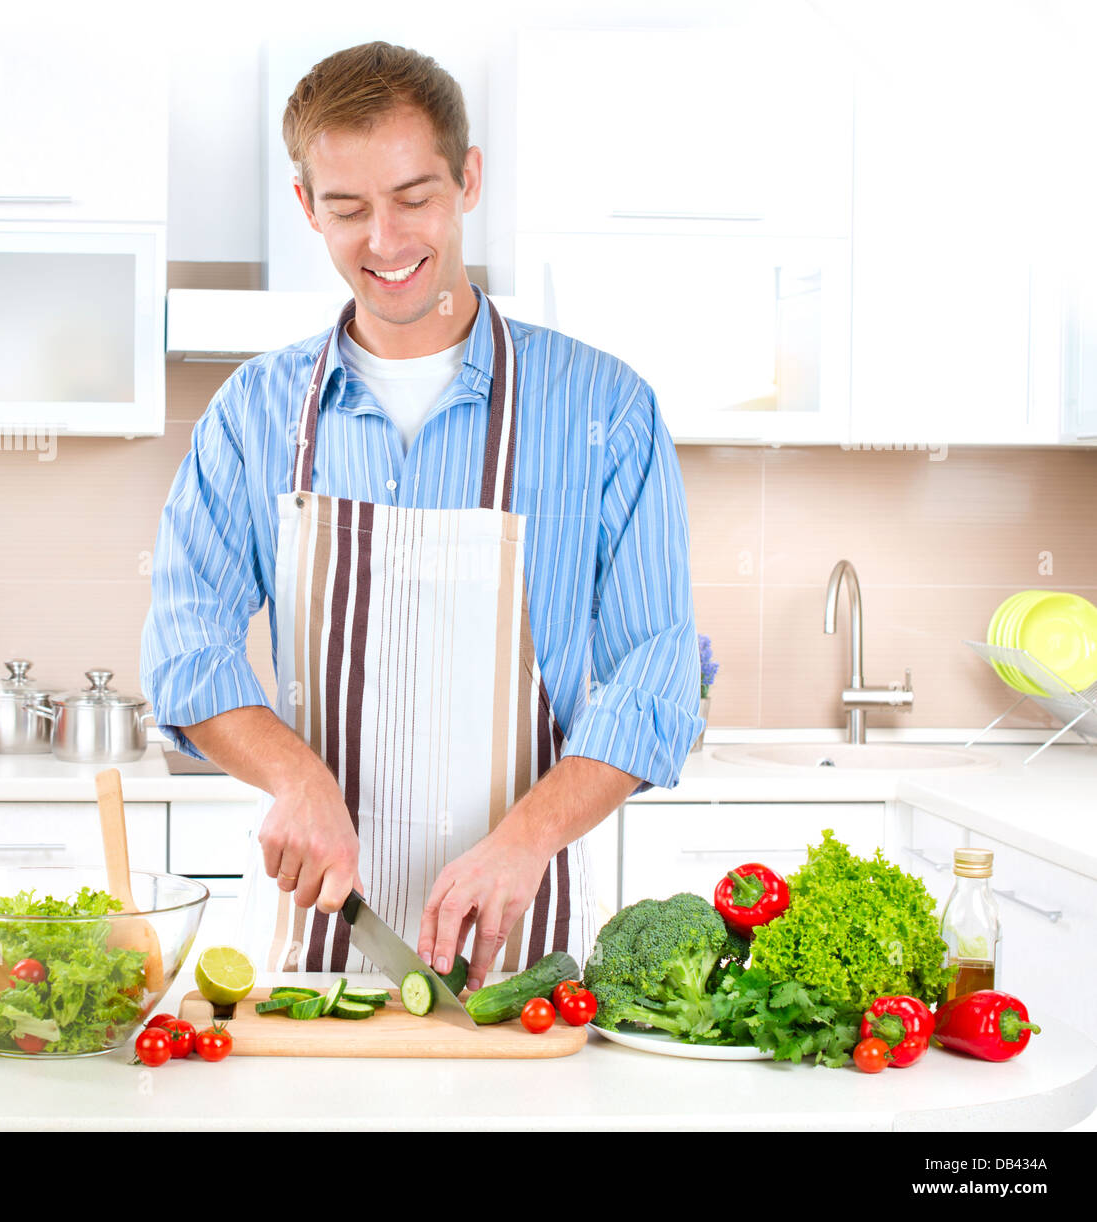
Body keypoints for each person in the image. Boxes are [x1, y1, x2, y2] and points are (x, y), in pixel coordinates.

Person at [141, 41, 702, 993]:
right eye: (350, 208)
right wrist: (295, 778)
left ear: (469, 179)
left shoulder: (605, 409)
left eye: (415, 197)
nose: (387, 241)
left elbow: (655, 683)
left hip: (520, 955)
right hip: (313, 946)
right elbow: (187, 653)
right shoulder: (252, 412)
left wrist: (526, 838)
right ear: (306, 206)